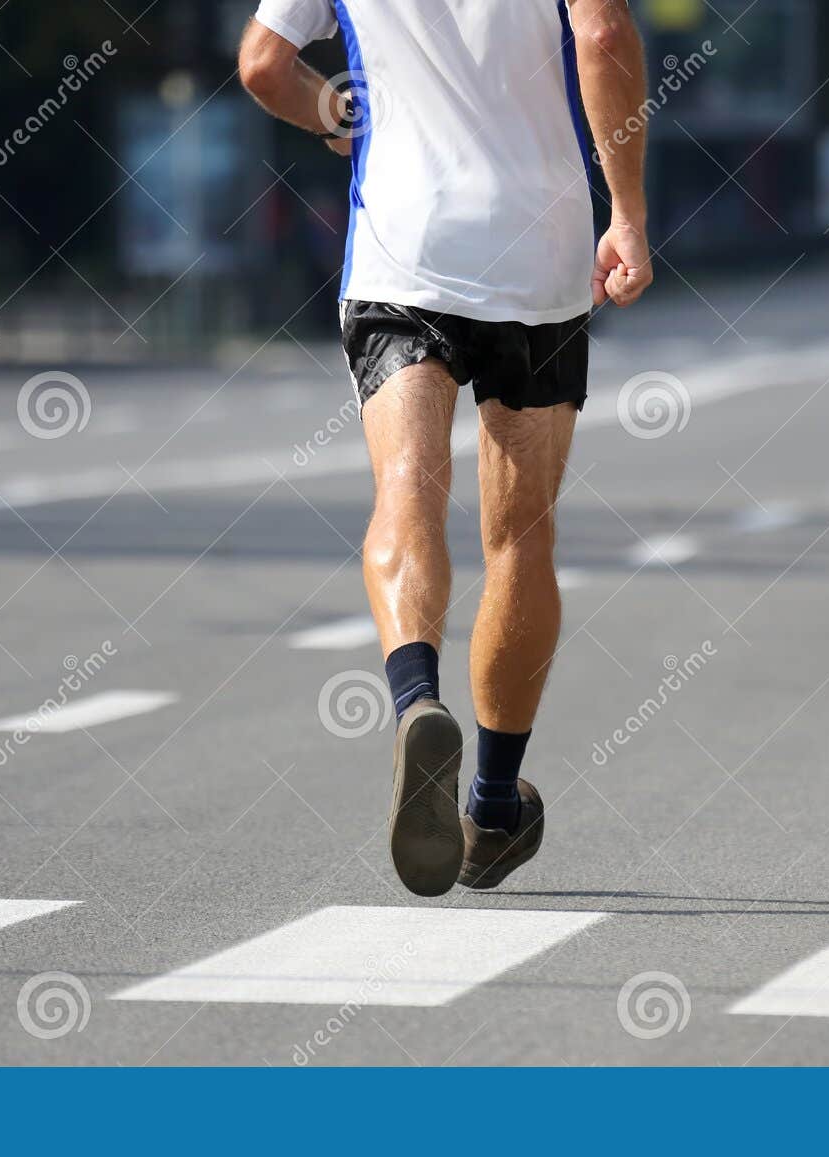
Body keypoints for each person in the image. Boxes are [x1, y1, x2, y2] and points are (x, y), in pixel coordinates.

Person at [240, 0, 652, 896]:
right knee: (521, 536)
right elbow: (604, 35)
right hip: (538, 256)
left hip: (404, 248)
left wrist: (333, 112)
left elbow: (264, 62)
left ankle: (414, 699)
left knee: (406, 489)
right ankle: (494, 805)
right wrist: (627, 211)